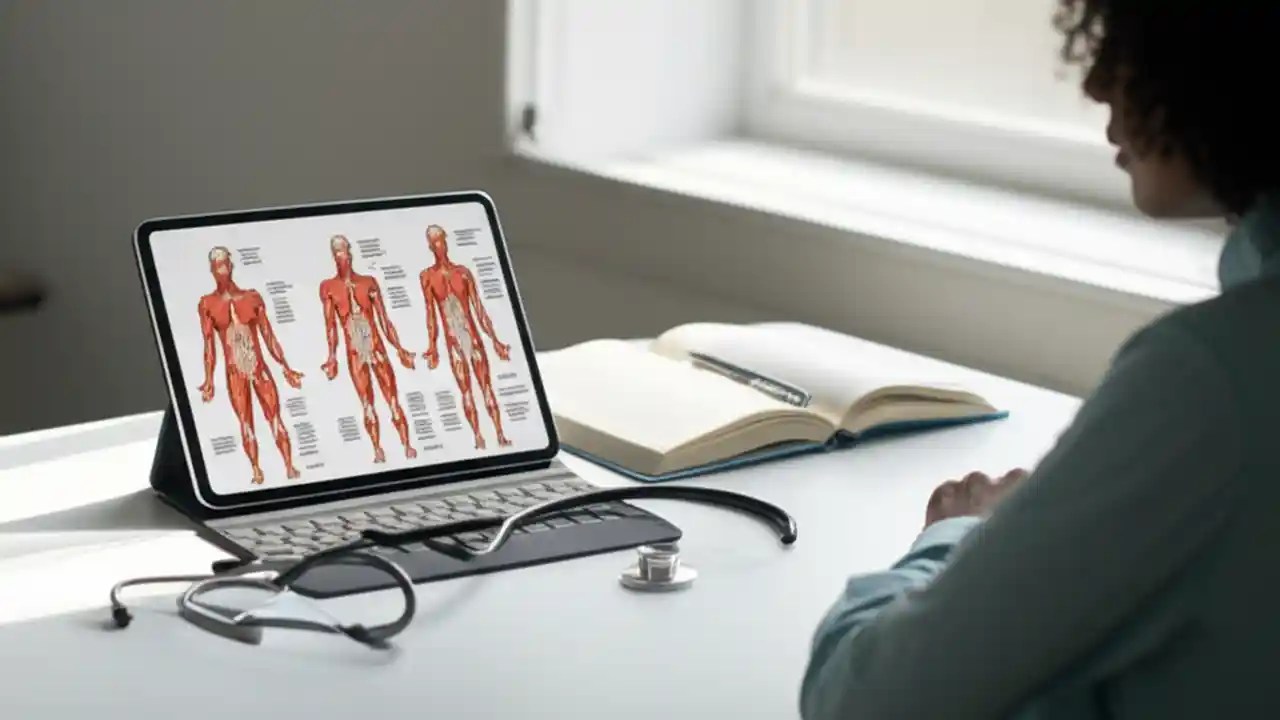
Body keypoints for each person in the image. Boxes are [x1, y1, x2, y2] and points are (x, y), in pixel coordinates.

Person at [799, 2, 1280, 718]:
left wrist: (954, 539)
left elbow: (860, 702)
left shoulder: (1212, 384)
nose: (1096, 84)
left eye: (1130, 39)